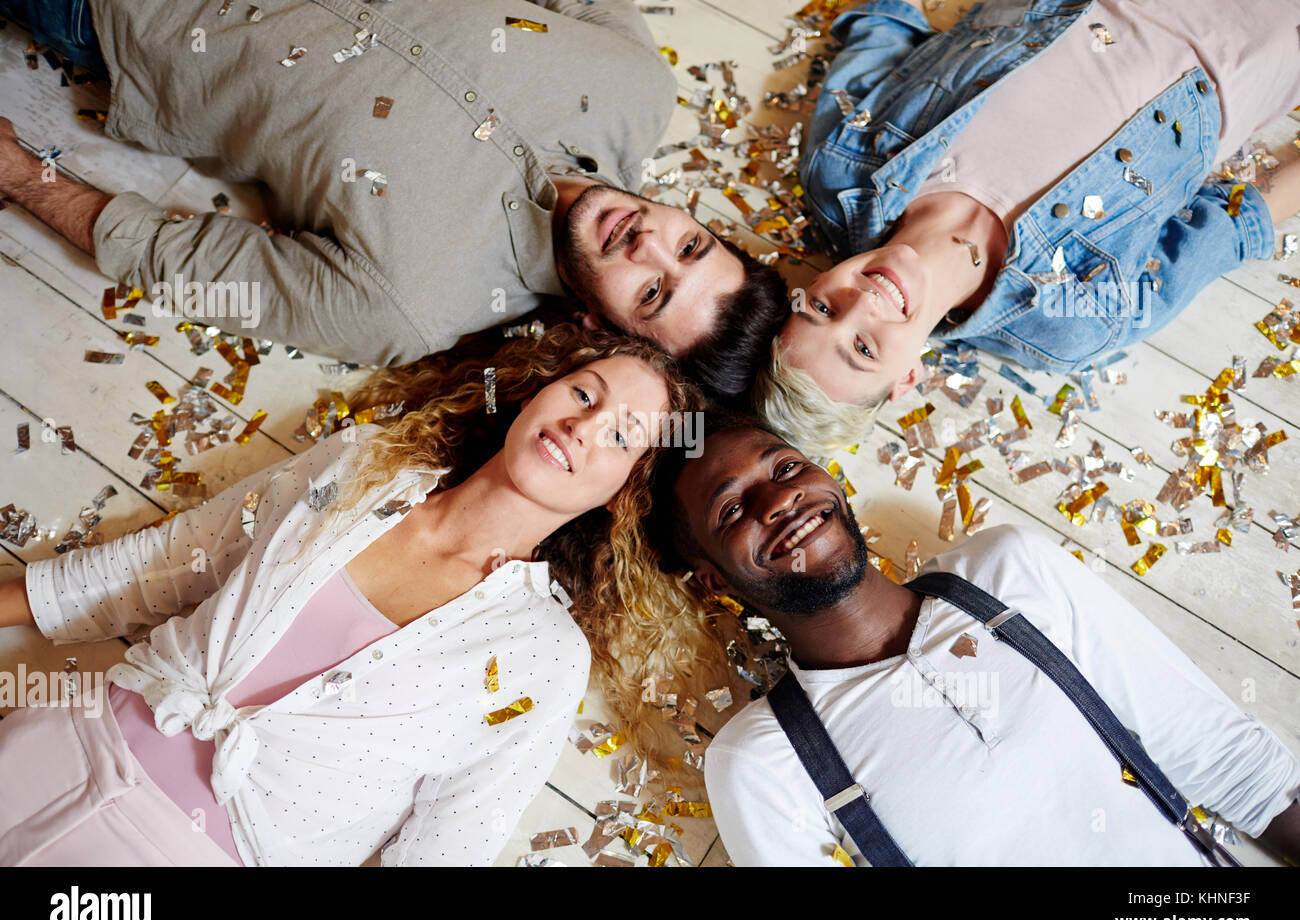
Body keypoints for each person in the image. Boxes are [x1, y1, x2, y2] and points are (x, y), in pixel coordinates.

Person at [0, 323, 701, 866]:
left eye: (619, 435)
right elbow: (162, 566)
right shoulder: (363, 465)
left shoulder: (542, 656)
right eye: (583, 392)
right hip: (63, 746)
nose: (583, 425)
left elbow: (445, 850)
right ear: (537, 388)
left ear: (625, 494)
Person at [0, 0, 789, 398]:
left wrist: (12, 169)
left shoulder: (408, 304)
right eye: (691, 247)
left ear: (603, 327)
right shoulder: (637, 89)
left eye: (653, 292)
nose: (646, 244)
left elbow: (168, 257)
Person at [649, 417, 1300, 865]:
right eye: (731, 509)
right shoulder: (763, 761)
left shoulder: (1008, 570)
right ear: (712, 582)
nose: (780, 500)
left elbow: (1222, 756)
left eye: (786, 466)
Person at [753, 0, 1300, 456]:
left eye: (822, 310)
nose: (862, 302)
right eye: (865, 349)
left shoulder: (841, 170)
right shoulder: (1071, 322)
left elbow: (885, 22)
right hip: (1253, 40)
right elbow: (1232, 223)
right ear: (907, 380)